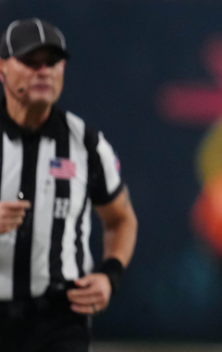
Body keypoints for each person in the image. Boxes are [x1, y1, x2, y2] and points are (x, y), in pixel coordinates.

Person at [0, 18, 138, 351]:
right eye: (30, 62)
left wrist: (110, 275)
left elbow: (121, 219)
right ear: (2, 68)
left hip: (59, 317)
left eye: (52, 62)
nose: (43, 71)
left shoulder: (87, 144)